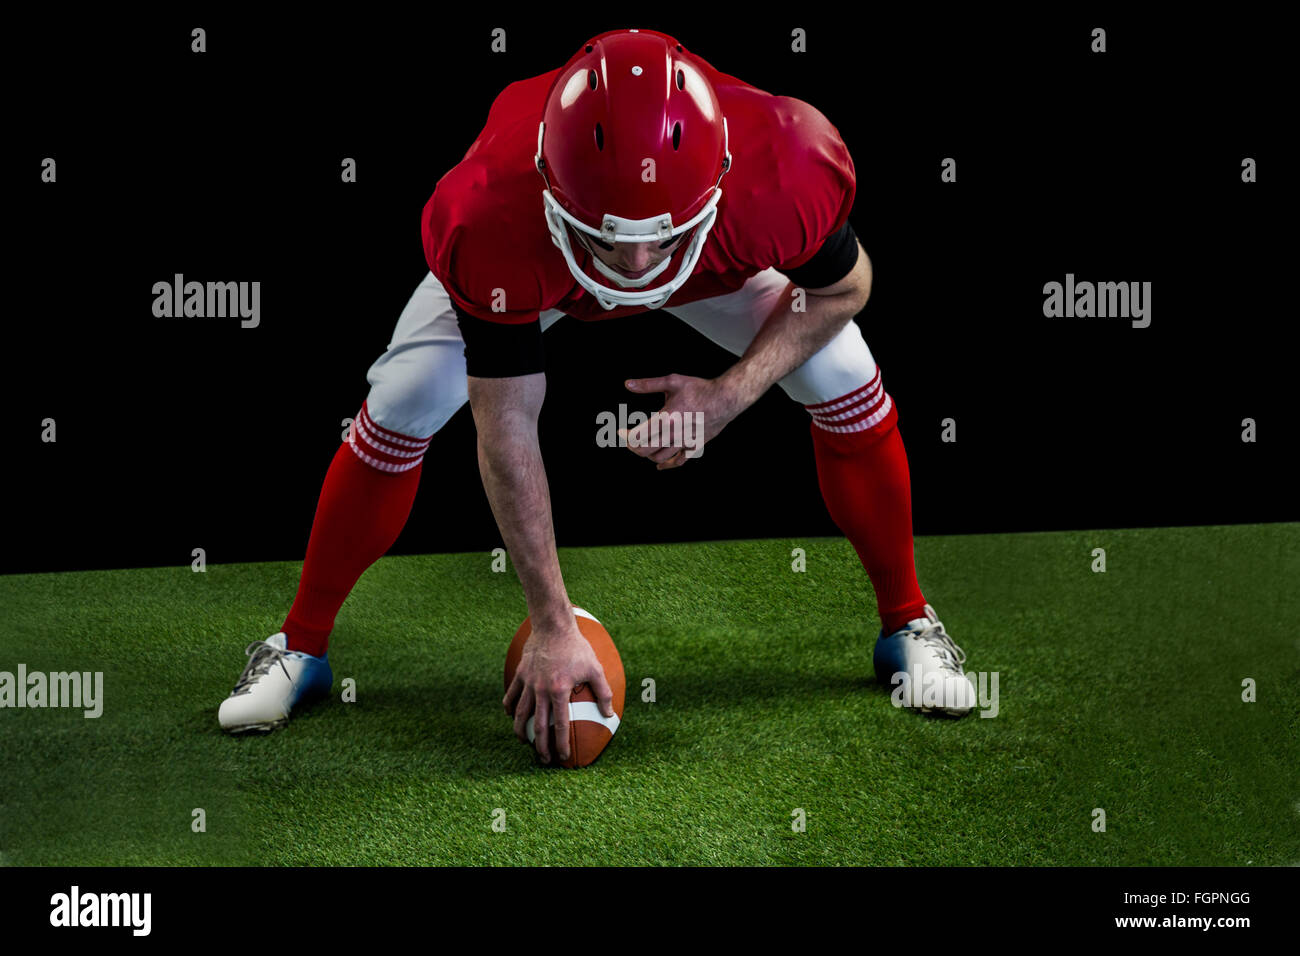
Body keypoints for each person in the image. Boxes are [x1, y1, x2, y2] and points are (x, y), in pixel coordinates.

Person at [217, 28, 976, 756]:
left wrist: (728, 394)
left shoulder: (788, 160)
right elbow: (506, 421)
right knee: (407, 394)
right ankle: (301, 645)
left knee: (842, 374)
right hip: (547, 264)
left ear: (720, 180)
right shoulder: (489, 213)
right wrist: (551, 621)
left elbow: (845, 288)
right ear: (551, 181)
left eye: (657, 235)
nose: (638, 265)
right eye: (614, 235)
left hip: (708, 261)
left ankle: (907, 623)